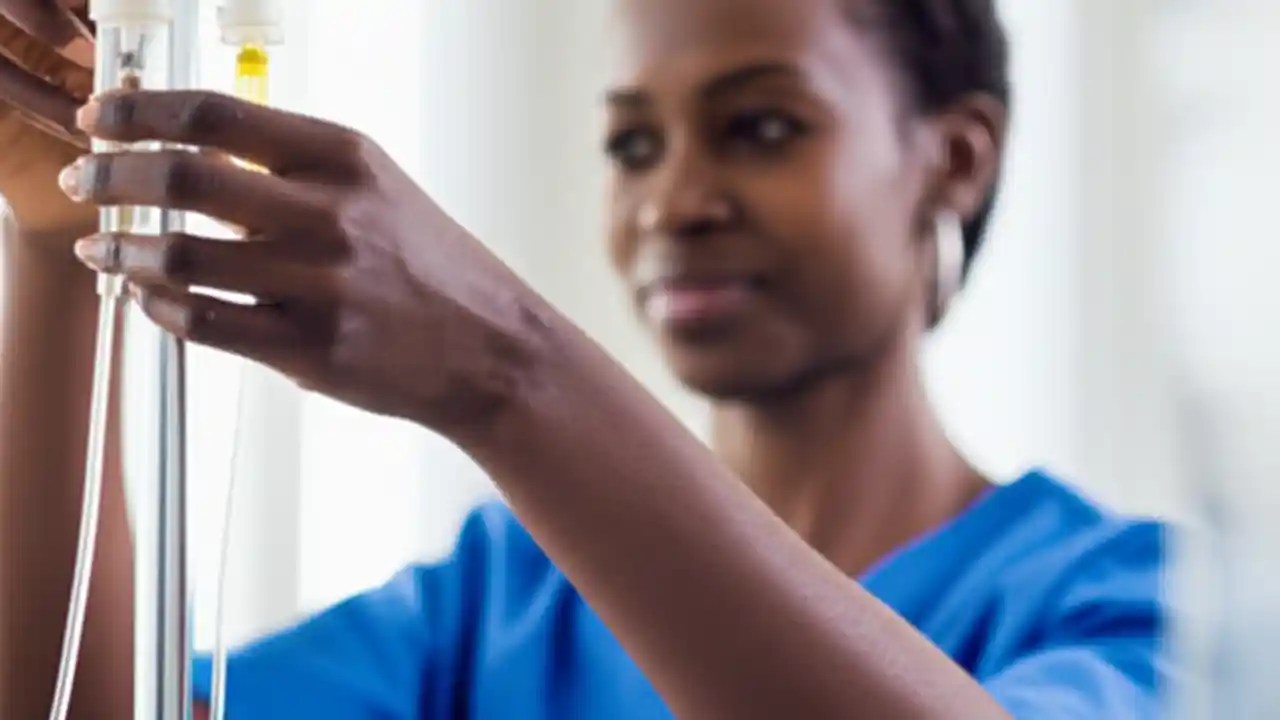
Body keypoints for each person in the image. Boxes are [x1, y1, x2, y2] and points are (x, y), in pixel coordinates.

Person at [0, 0, 1168, 717]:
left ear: (953, 157)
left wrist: (507, 370)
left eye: (761, 125)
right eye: (632, 144)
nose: (676, 199)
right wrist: (64, 240)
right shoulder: (500, 605)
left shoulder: (1133, 607)